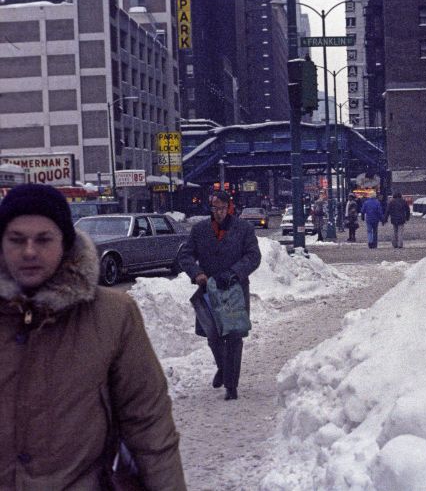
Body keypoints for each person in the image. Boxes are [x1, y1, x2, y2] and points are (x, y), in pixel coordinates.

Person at [0, 184, 186, 489]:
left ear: (65, 244)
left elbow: (149, 425)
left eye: (44, 239)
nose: (29, 251)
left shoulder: (113, 315)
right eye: (17, 240)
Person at [179, 191, 261, 401]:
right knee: (213, 336)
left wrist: (234, 273)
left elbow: (253, 256)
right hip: (209, 292)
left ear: (229, 207)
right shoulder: (199, 230)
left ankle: (231, 386)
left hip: (234, 291)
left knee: (233, 337)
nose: (219, 213)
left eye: (223, 208)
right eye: (215, 208)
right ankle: (224, 368)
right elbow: (185, 255)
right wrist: (197, 273)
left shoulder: (244, 229)